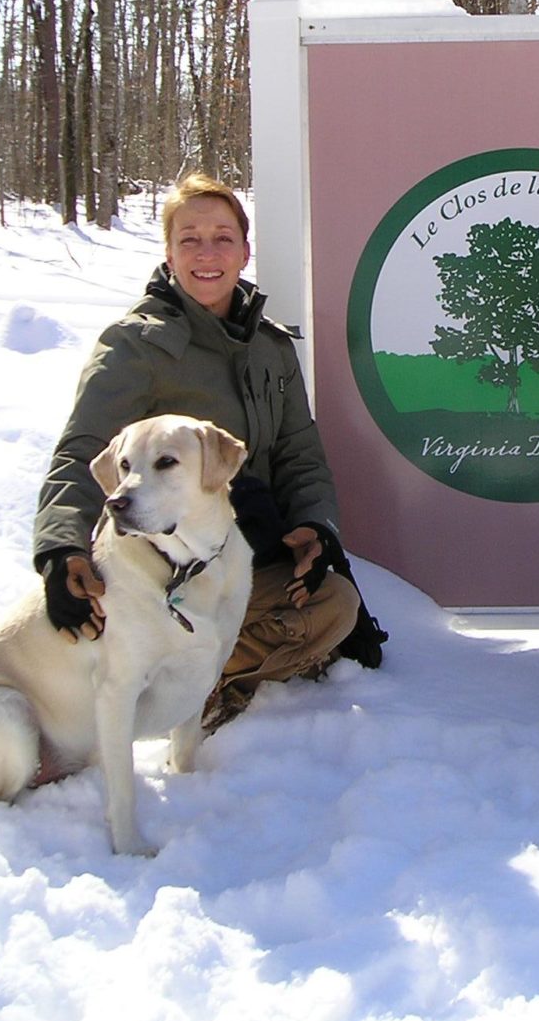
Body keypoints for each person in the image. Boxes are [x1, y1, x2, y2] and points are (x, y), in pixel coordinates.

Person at [33, 172, 384, 732]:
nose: (206, 253)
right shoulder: (134, 346)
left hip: (246, 551)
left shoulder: (270, 348)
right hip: (161, 567)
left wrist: (315, 528)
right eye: (189, 239)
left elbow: (298, 453)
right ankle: (182, 687)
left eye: (223, 238)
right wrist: (60, 550)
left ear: (245, 252)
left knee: (333, 606)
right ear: (169, 254)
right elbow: (82, 451)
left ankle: (190, 670)